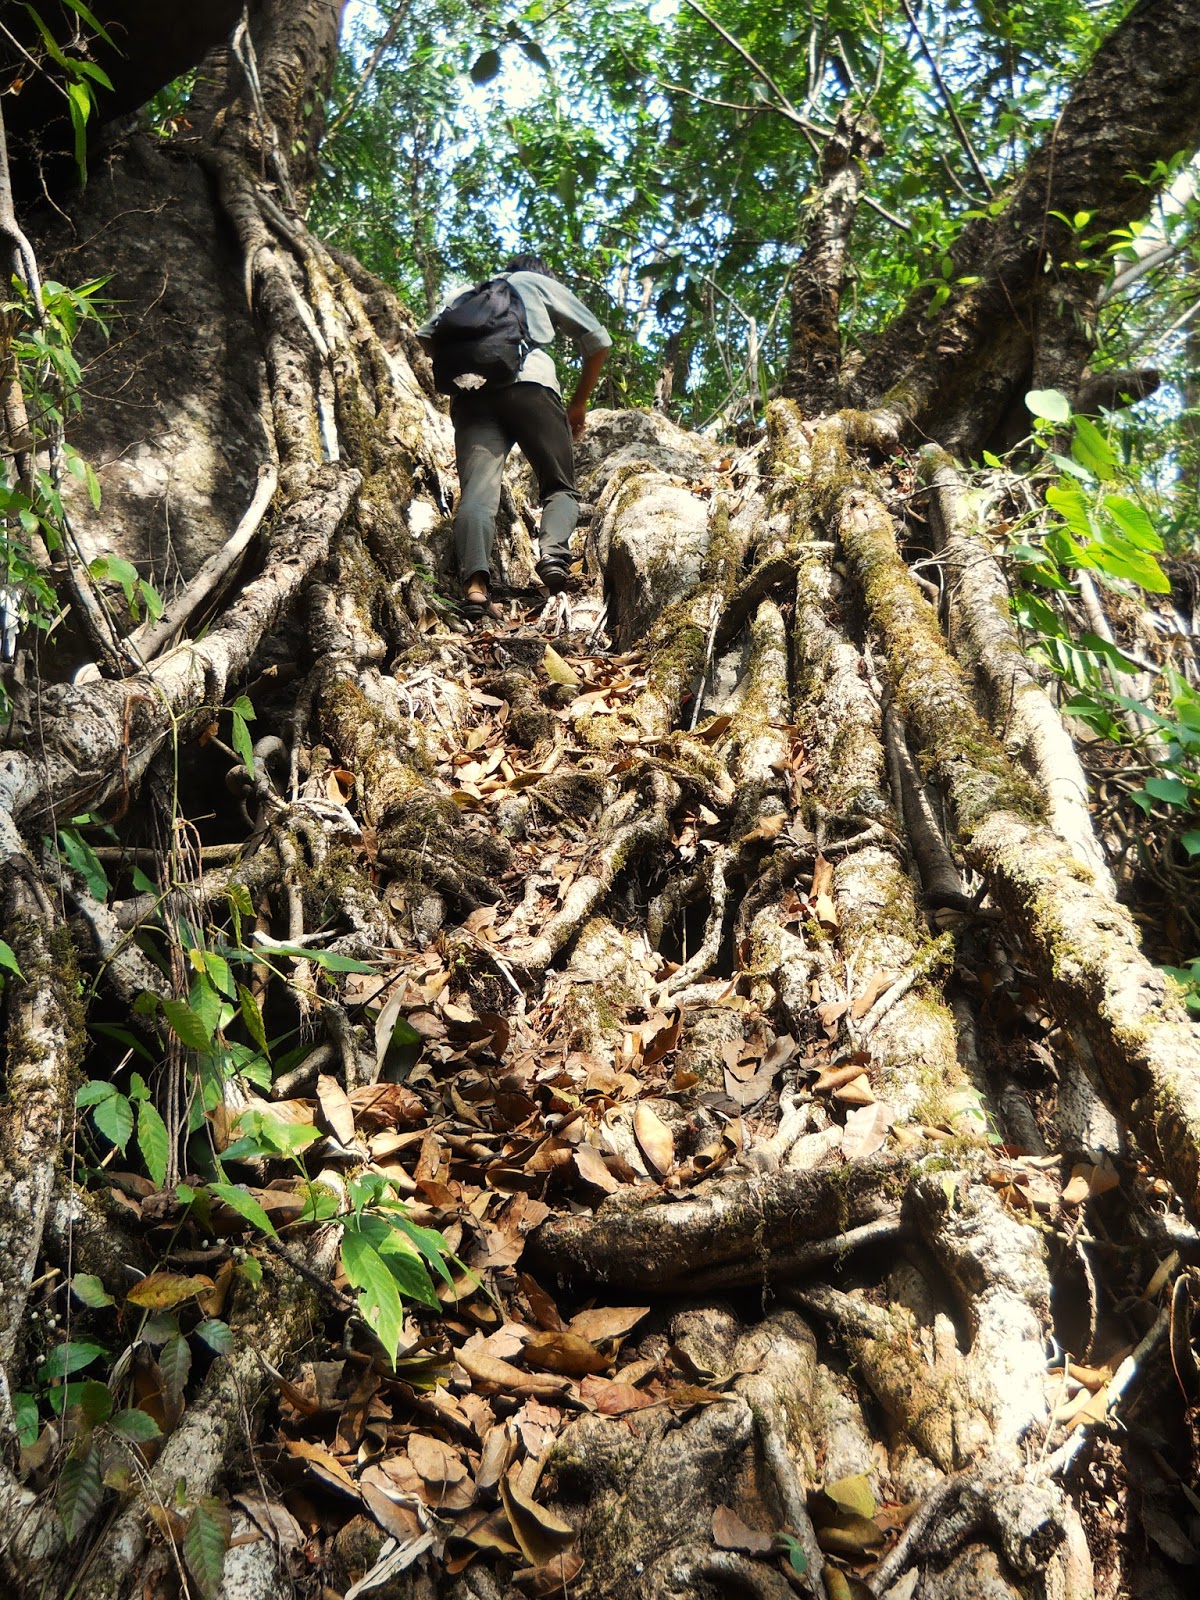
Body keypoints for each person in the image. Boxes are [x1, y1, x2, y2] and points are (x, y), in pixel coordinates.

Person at [418, 254, 611, 616]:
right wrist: (578, 404)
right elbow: (598, 341)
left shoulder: (466, 293)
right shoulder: (535, 282)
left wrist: (473, 363)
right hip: (531, 386)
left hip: (471, 397)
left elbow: (426, 335)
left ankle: (475, 588)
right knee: (559, 485)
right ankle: (553, 559)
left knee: (477, 494)